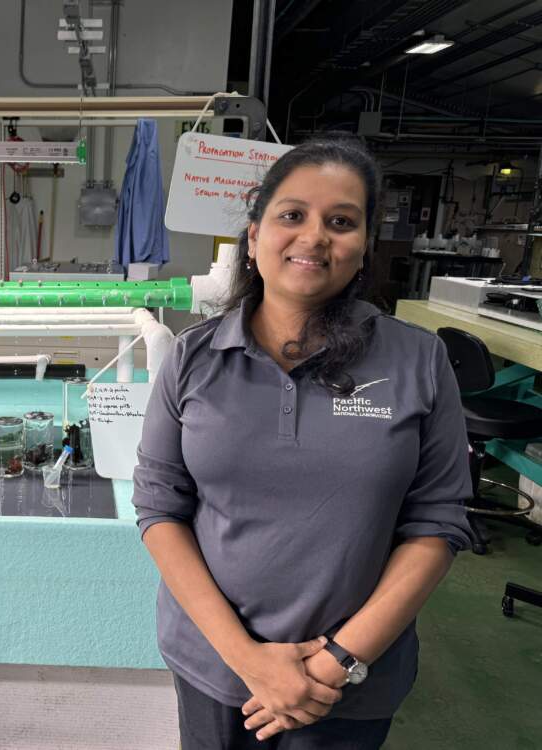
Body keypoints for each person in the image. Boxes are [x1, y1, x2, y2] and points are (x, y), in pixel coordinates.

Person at [132, 138, 474, 750]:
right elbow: (160, 509)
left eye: (341, 222)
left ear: (363, 245)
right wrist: (249, 660)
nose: (314, 237)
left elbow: (437, 523)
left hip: (351, 682)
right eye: (293, 215)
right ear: (254, 232)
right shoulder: (192, 360)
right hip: (216, 668)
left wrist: (332, 665)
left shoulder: (419, 361)